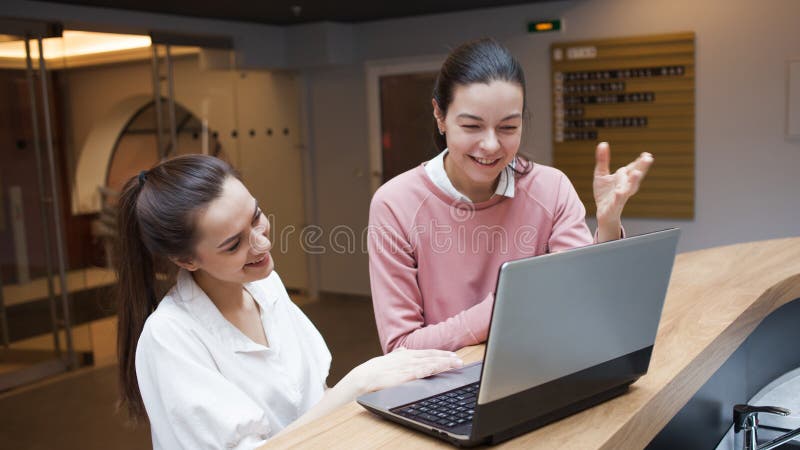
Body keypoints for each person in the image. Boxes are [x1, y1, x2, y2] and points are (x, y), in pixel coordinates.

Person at [115, 154, 463, 449]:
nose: (262, 245)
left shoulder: (266, 287)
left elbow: (316, 399)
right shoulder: (169, 338)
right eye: (234, 245)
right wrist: (357, 384)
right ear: (186, 260)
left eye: (256, 218)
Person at [368, 38, 653, 353]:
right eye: (472, 126)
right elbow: (401, 348)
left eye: (507, 128)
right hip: (442, 382)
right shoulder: (395, 204)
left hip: (540, 363)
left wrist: (609, 225)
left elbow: (583, 301)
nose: (491, 145)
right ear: (440, 116)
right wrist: (505, 306)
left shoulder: (551, 188)